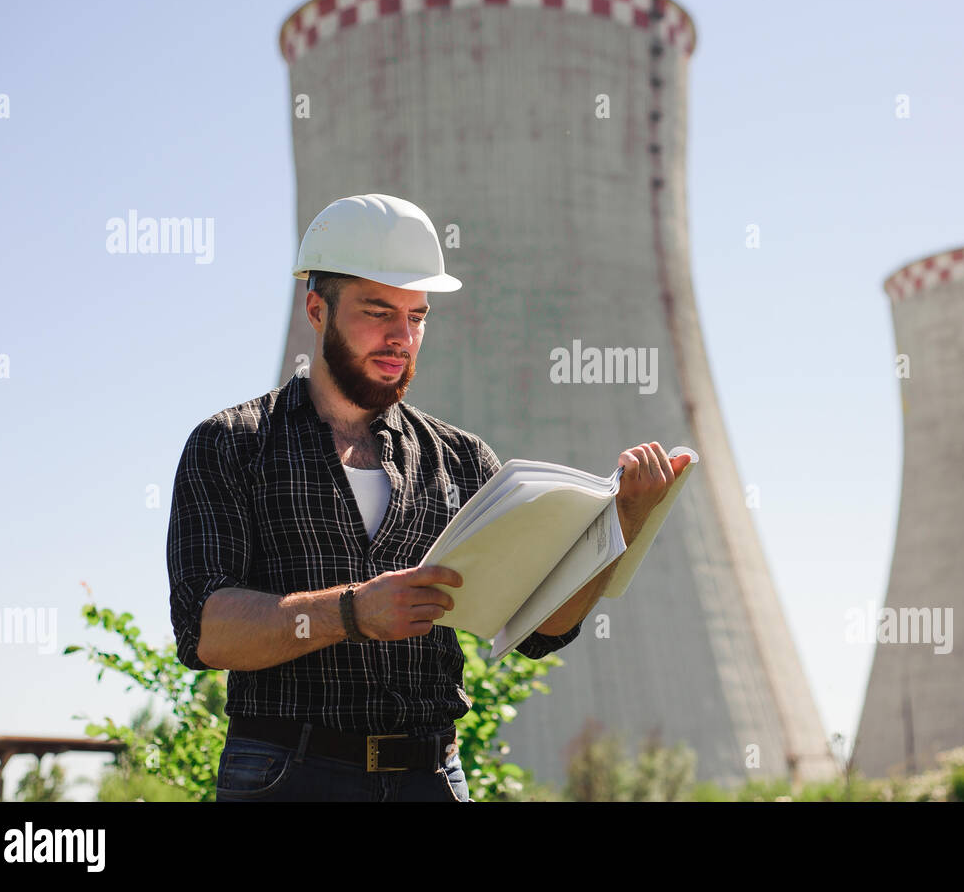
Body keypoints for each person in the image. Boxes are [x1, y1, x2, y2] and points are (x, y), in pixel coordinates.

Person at [167, 193, 690, 802]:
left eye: (416, 316)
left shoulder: (463, 459)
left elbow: (541, 629)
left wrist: (624, 519)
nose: (401, 336)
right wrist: (353, 612)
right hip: (287, 770)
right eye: (378, 311)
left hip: (431, 775)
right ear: (316, 310)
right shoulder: (232, 444)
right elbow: (205, 631)